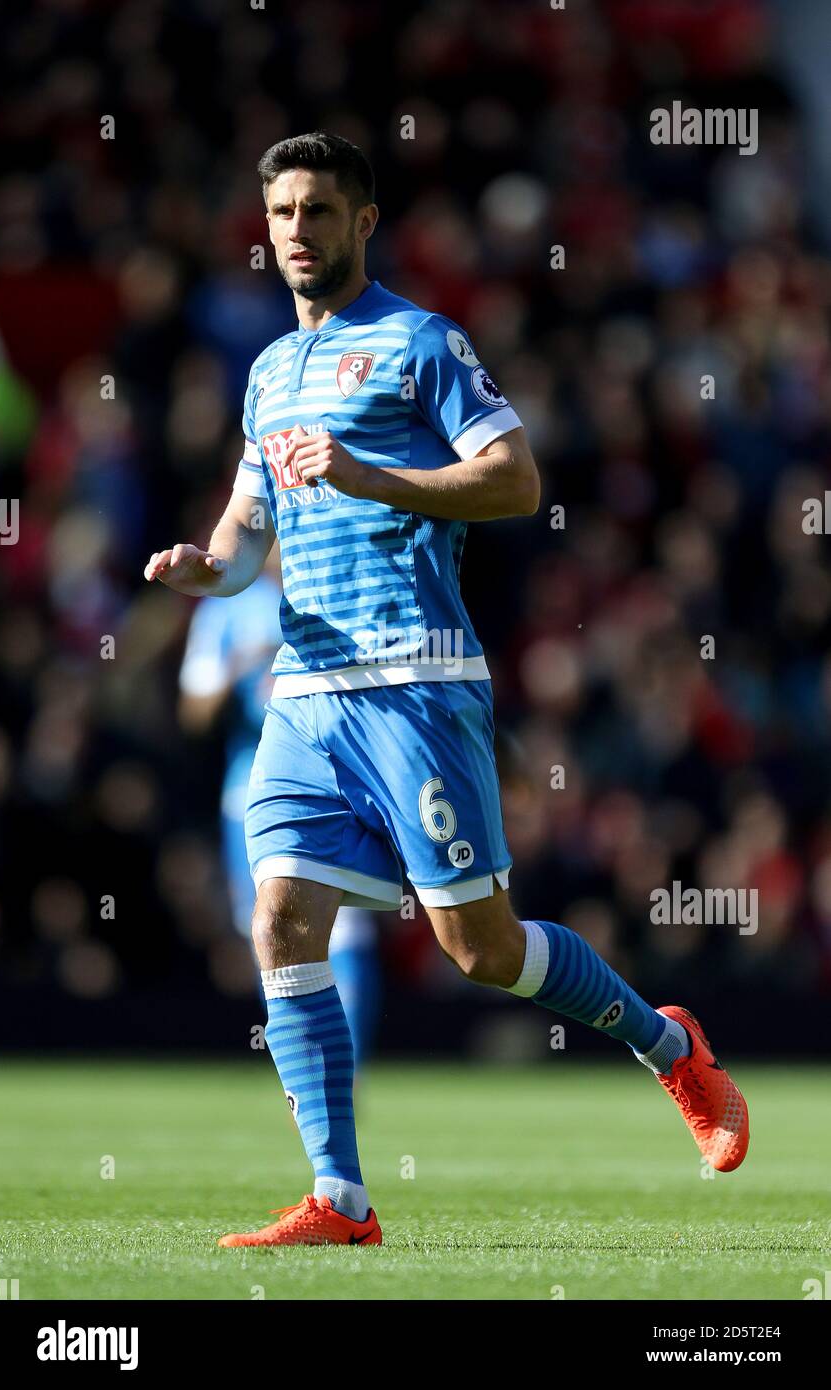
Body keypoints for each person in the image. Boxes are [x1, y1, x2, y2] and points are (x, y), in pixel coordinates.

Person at [144, 132, 749, 1249]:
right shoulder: (268, 375)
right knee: (279, 915)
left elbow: (515, 479)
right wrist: (202, 570)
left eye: (320, 210)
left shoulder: (420, 344)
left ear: (363, 222)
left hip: (417, 683)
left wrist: (372, 474)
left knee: (483, 951)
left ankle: (668, 1045)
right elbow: (244, 535)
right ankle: (343, 1198)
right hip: (306, 691)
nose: (297, 231)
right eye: (282, 212)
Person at [177, 562, 381, 1066]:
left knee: (346, 930)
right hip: (251, 794)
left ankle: (343, 1072)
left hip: (339, 787)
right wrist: (241, 667)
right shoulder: (225, 609)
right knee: (271, 933)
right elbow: (193, 713)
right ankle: (304, 1069)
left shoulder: (340, 592)